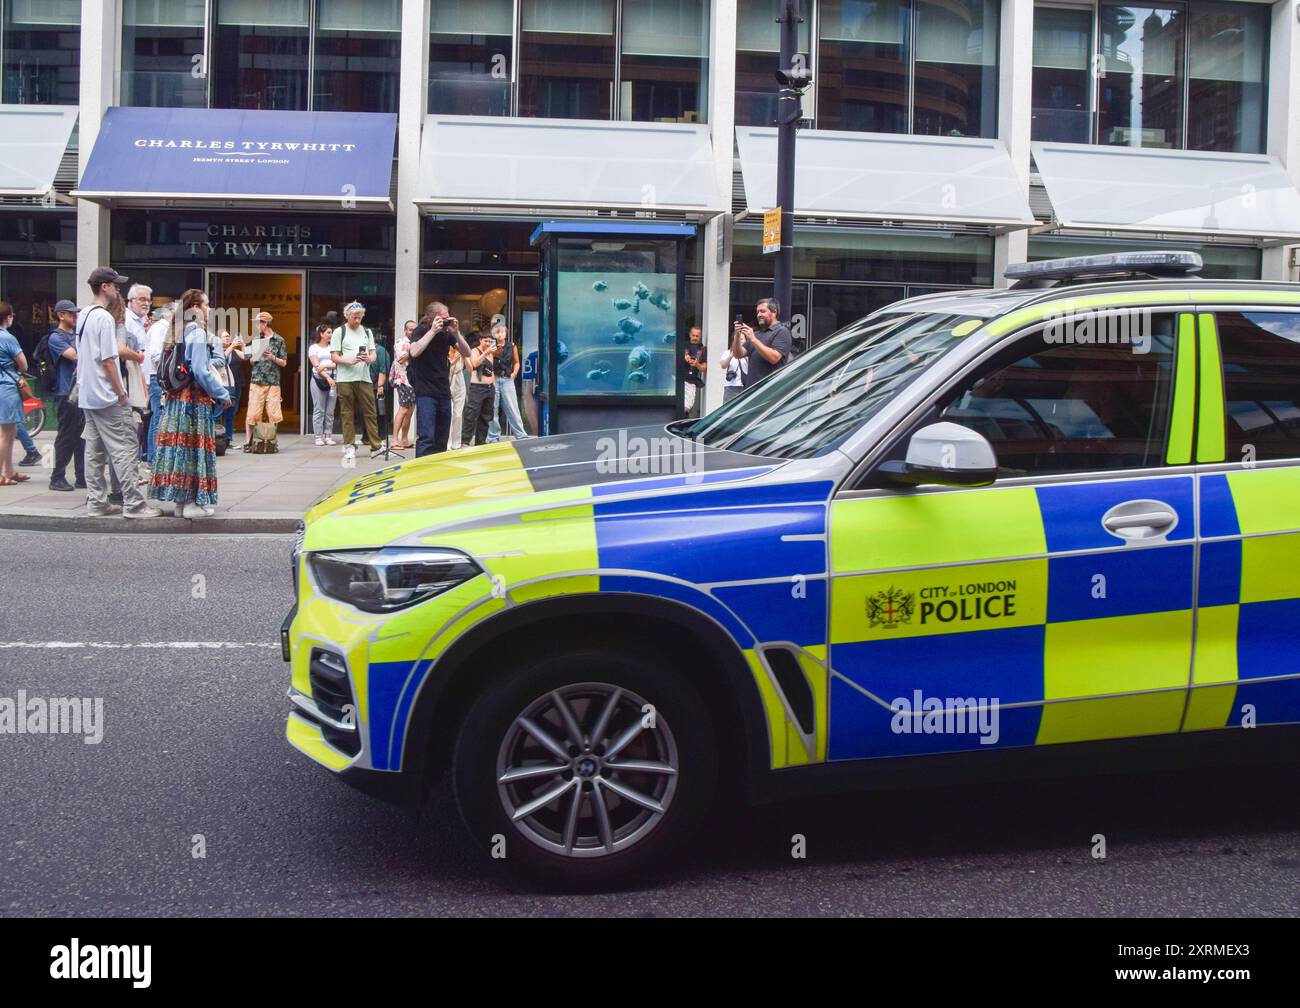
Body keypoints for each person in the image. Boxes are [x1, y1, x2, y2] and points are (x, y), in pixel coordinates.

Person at [76, 267, 161, 518]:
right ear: (104, 287)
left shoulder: (84, 315)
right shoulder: (103, 318)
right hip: (107, 394)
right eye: (114, 285)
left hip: (88, 393)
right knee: (125, 447)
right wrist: (121, 392)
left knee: (94, 450)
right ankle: (134, 504)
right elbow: (108, 359)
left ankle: (97, 502)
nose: (117, 290)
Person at [149, 289, 230, 518]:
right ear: (195, 307)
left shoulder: (177, 330)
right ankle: (193, 503)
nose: (208, 309)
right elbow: (201, 370)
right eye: (206, 304)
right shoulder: (197, 332)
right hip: (193, 401)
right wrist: (222, 393)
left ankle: (181, 502)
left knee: (180, 450)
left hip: (177, 400)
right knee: (194, 450)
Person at [406, 301, 473, 456]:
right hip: (425, 391)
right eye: (443, 318)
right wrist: (432, 332)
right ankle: (421, 470)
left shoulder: (447, 333)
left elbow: (467, 352)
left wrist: (456, 332)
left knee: (442, 437)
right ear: (431, 318)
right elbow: (414, 352)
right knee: (427, 436)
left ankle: (437, 471)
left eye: (447, 317)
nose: (445, 321)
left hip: (443, 390)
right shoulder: (421, 330)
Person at [329, 301, 381, 457]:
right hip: (345, 378)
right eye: (354, 317)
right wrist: (349, 361)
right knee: (347, 412)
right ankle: (349, 445)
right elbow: (334, 355)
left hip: (364, 377)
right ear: (347, 316)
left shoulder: (367, 331)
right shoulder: (339, 331)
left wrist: (368, 359)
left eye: (360, 317)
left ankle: (376, 445)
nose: (357, 320)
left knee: (370, 412)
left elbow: (373, 354)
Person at [47, 300, 85, 491]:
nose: (75, 317)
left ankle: (81, 476)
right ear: (61, 315)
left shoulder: (76, 334)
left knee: (81, 437)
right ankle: (57, 477)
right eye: (72, 314)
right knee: (66, 436)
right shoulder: (56, 338)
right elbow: (75, 355)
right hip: (66, 393)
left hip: (80, 392)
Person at [243, 311, 285, 450]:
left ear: (265, 323)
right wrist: (255, 356)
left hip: (273, 381)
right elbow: (249, 360)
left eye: (258, 323)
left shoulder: (279, 340)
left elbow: (284, 362)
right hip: (257, 379)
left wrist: (273, 357)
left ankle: (272, 442)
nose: (256, 325)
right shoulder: (256, 339)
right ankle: (249, 442)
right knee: (253, 413)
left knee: (273, 413)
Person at [731, 298, 792, 389]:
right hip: (752, 390)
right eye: (757, 312)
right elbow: (737, 354)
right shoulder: (757, 334)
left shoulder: (782, 332)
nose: (759, 315)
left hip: (769, 390)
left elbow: (774, 358)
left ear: (774, 312)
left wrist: (753, 339)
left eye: (762, 311)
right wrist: (737, 335)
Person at [0, 301, 30, 487]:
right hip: (7, 387)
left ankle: (9, 470)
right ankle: (2, 473)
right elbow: (24, 364)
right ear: (7, 317)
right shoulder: (7, 337)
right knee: (6, 433)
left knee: (10, 431)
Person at [143, 300, 173, 463]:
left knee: (158, 417)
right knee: (158, 417)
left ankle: (154, 456)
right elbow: (156, 356)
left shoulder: (163, 329)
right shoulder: (159, 329)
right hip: (157, 377)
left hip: (158, 376)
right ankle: (154, 458)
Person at [124, 283, 152, 459]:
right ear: (130, 301)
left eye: (149, 300)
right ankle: (131, 464)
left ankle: (135, 462)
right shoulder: (126, 321)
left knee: (140, 423)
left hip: (144, 379)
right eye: (142, 299)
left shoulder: (143, 321)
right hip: (133, 380)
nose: (146, 303)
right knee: (133, 424)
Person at [486, 322, 527, 440]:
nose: (500, 334)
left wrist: (514, 374)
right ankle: (493, 437)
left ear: (506, 332)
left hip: (507, 379)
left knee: (513, 408)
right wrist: (493, 353)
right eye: (497, 332)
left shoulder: (511, 346)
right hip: (494, 379)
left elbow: (517, 362)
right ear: (493, 334)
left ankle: (521, 435)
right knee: (493, 409)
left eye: (502, 332)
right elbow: (487, 361)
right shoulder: (491, 347)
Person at [461, 330, 498, 448]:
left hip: (489, 388)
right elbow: (474, 364)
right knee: (471, 414)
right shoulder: (475, 351)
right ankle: (465, 441)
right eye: (485, 340)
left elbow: (491, 371)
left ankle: (481, 441)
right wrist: (486, 352)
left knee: (486, 416)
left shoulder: (491, 354)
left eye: (490, 341)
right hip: (477, 387)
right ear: (480, 340)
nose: (488, 343)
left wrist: (494, 387)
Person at [307, 323, 338, 446]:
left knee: (330, 410)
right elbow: (316, 365)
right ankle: (318, 436)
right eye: (328, 332)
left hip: (333, 380)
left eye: (331, 333)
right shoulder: (313, 348)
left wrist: (325, 365)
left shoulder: (333, 348)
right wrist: (327, 376)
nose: (330, 335)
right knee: (319, 409)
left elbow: (337, 363)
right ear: (321, 334)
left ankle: (328, 435)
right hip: (318, 380)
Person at [217, 323, 245, 450]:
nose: (228, 339)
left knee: (231, 413)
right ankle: (217, 438)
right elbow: (222, 359)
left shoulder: (234, 350)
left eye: (229, 336)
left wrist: (242, 345)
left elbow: (247, 357)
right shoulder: (217, 351)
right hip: (222, 385)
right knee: (218, 412)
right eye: (225, 337)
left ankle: (228, 439)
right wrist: (232, 346)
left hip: (235, 384)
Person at [389, 320, 416, 449]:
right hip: (403, 379)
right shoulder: (402, 343)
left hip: (413, 380)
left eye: (414, 329)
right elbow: (401, 359)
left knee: (410, 410)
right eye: (410, 329)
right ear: (405, 330)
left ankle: (404, 439)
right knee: (404, 409)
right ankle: (394, 440)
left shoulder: (413, 342)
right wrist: (414, 352)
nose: (412, 332)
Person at [683, 326, 707, 418]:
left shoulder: (703, 349)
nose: (695, 338)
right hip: (677, 379)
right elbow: (673, 359)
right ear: (689, 335)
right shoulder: (682, 345)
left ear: (700, 336)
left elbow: (704, 368)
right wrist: (684, 357)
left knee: (686, 407)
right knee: (674, 406)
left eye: (697, 336)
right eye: (693, 335)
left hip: (691, 381)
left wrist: (696, 364)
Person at [448, 342, 466, 449]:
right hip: (447, 382)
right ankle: (447, 443)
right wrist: (452, 362)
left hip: (459, 382)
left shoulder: (461, 354)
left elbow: (470, 367)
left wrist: (464, 355)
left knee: (458, 415)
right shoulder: (443, 354)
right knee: (449, 414)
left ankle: (456, 443)